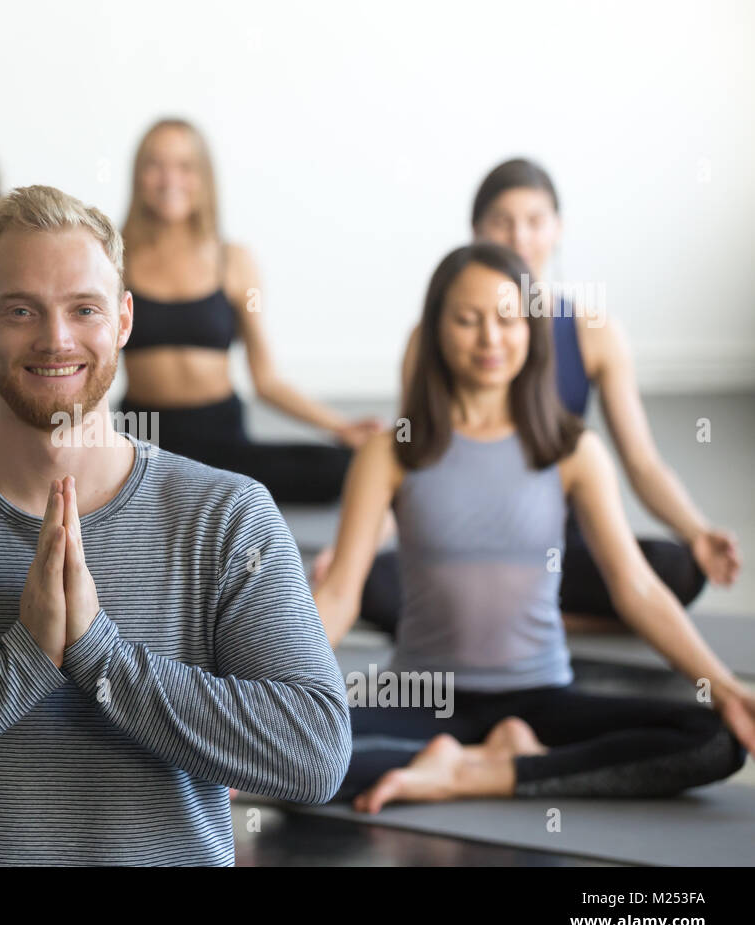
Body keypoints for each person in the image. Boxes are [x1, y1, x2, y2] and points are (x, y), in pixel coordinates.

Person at [0, 184, 352, 865]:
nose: (56, 339)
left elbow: (314, 756)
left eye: (84, 309)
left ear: (124, 320)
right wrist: (21, 661)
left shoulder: (226, 516)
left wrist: (99, 655)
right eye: (21, 310)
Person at [311, 242, 750, 813]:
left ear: (532, 329)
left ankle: (472, 773)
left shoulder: (573, 450)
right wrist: (258, 696)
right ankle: (504, 762)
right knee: (282, 746)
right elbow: (341, 594)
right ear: (435, 331)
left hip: (542, 697)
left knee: (717, 739)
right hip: (422, 697)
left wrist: (726, 687)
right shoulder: (390, 451)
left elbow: (636, 588)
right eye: (468, 321)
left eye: (506, 319)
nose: (490, 339)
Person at [354, 159, 740, 633]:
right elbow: (411, 462)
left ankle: (524, 621)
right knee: (369, 583)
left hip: (558, 547)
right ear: (475, 232)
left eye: (535, 221)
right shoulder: (433, 336)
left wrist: (697, 530)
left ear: (558, 229)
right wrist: (355, 550)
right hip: (461, 546)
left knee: (679, 567)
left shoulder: (593, 333)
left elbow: (642, 463)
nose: (519, 238)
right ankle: (524, 620)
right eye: (502, 221)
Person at [116, 118, 381, 504]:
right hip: (147, 439)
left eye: (184, 167)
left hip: (223, 440)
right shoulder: (114, 260)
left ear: (203, 177)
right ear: (139, 176)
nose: (169, 179)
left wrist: (342, 427)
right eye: (155, 165)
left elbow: (266, 380)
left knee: (347, 465)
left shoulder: (235, 262)